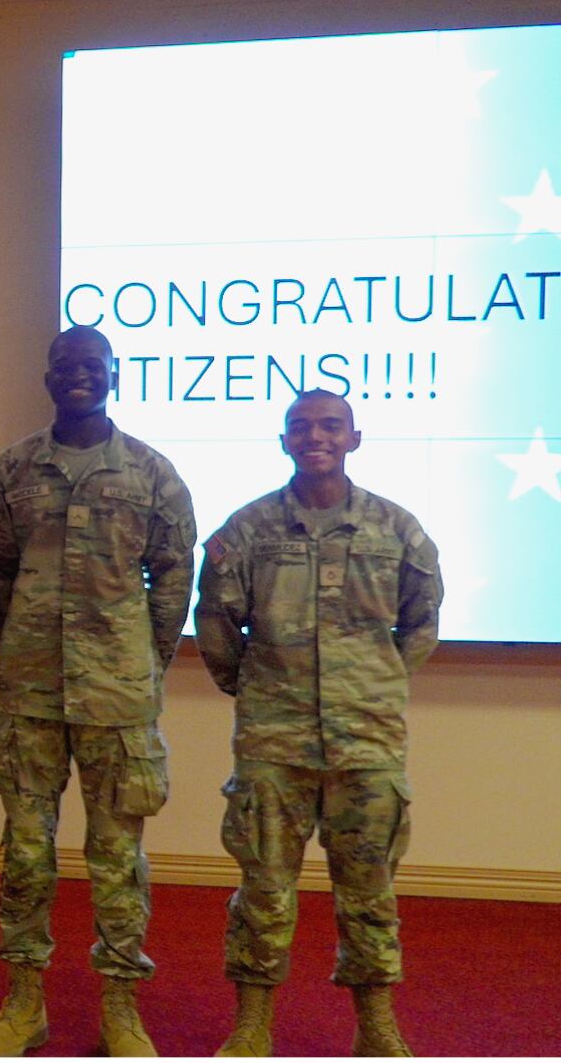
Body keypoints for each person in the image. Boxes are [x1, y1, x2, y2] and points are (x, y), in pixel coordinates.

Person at [0, 326, 195, 1056]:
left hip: (117, 700)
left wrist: (139, 662)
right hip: (32, 694)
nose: (78, 376)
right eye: (65, 366)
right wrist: (25, 642)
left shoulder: (153, 475)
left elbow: (173, 583)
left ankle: (121, 1010)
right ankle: (23, 1003)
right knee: (26, 855)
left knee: (117, 861)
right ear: (48, 378)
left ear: (113, 375)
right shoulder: (12, 472)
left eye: (91, 366)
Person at [195, 390, 440, 1057]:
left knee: (369, 893)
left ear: (355, 437)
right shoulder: (245, 531)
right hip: (274, 742)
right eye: (300, 428)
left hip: (368, 745)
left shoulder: (398, 529)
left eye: (331, 425)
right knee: (263, 891)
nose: (316, 437)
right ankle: (251, 1025)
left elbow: (422, 621)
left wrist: (379, 683)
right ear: (283, 443)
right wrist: (251, 689)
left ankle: (376, 1025)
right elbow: (215, 622)